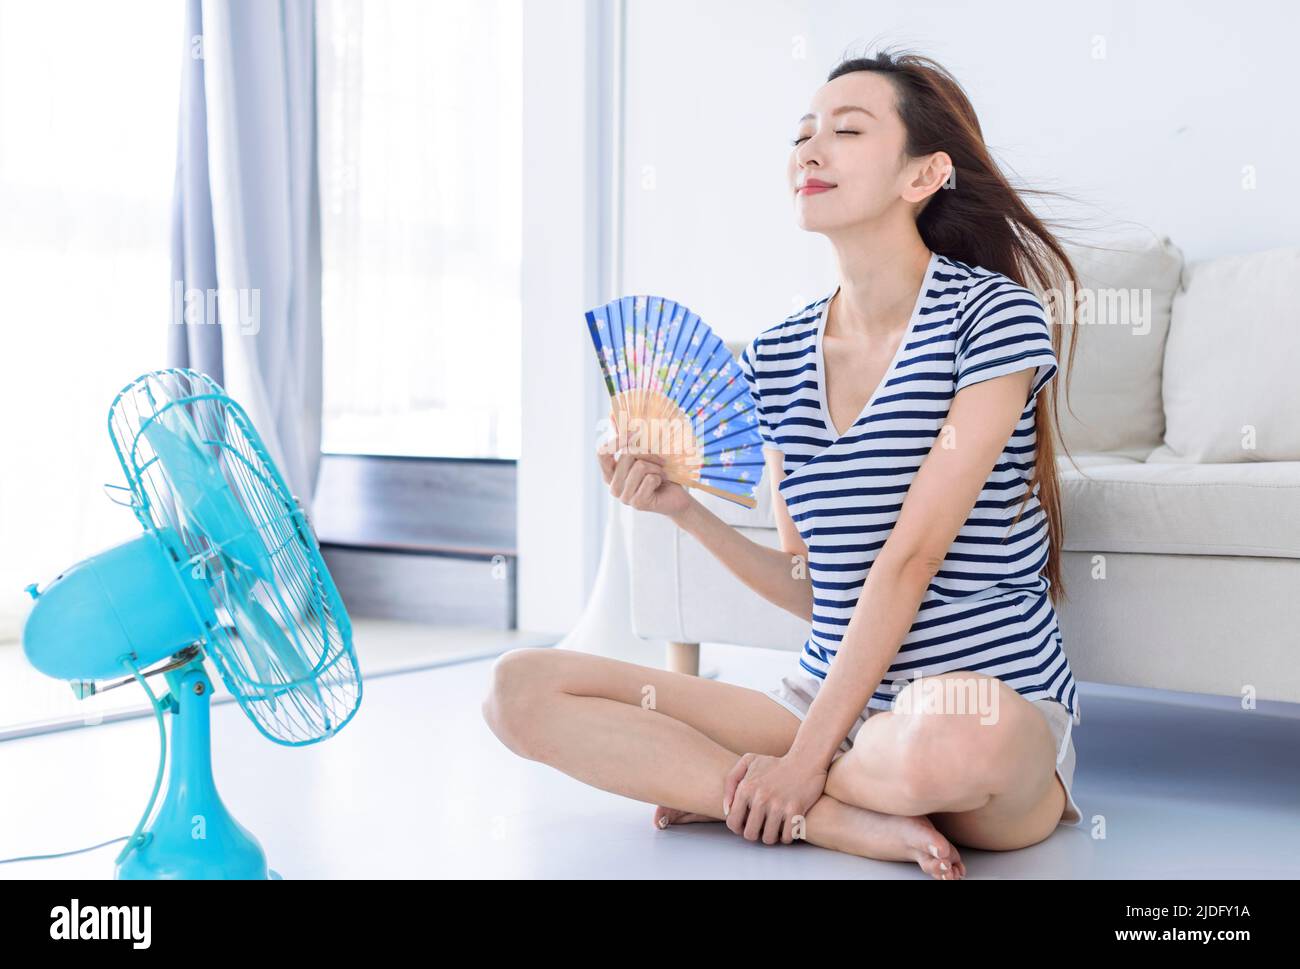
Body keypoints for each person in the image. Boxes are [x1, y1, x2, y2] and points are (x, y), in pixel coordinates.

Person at [483, 47, 1086, 880]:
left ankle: (767, 789)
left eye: (845, 130)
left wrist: (799, 762)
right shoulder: (775, 356)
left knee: (943, 736)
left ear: (924, 174)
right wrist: (681, 510)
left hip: (974, 710)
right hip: (824, 707)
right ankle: (838, 821)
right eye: (803, 132)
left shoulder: (994, 319)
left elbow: (910, 558)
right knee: (517, 688)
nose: (809, 149)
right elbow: (813, 583)